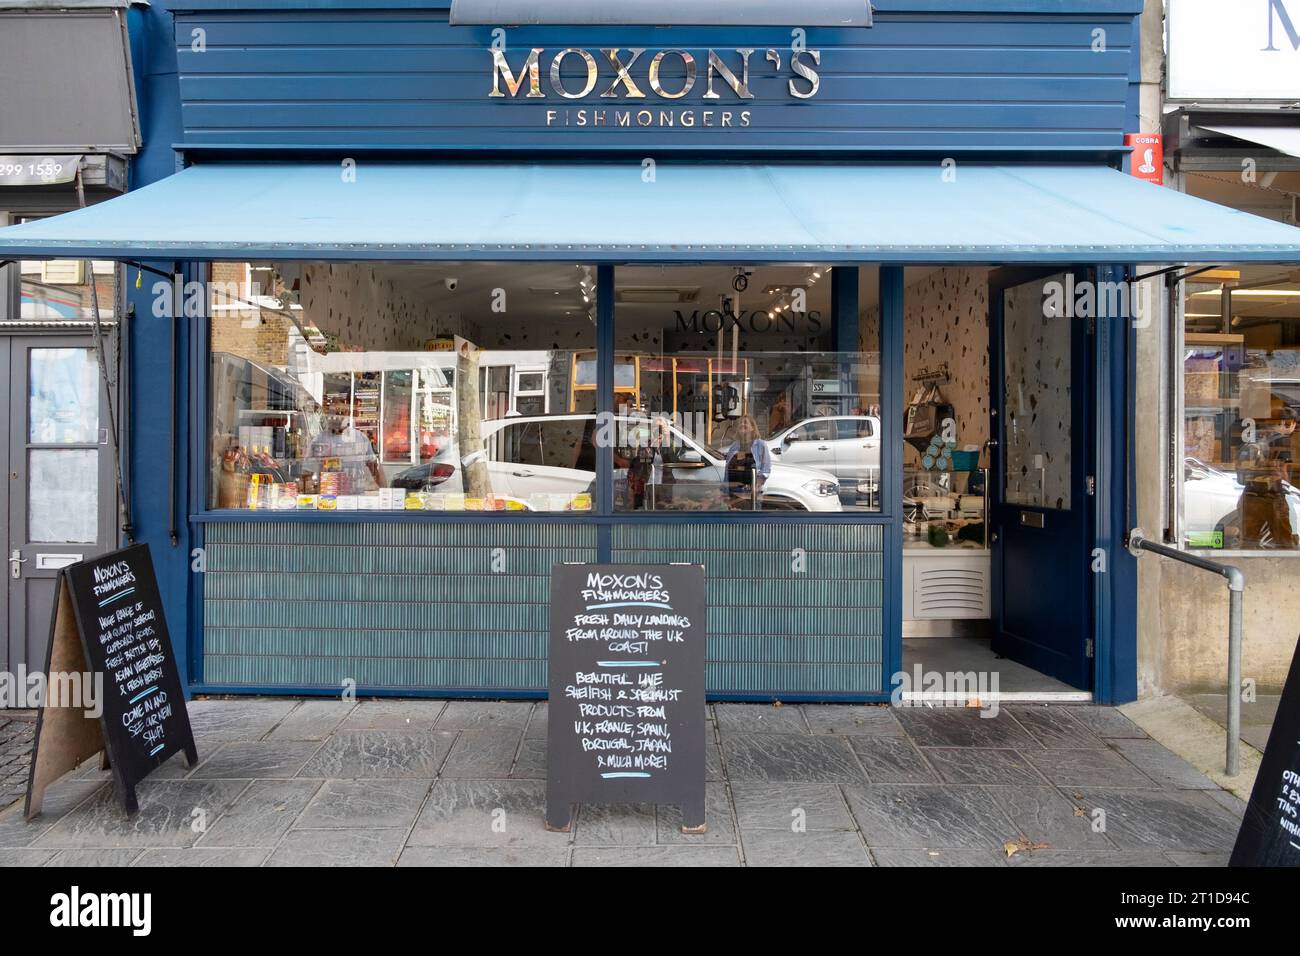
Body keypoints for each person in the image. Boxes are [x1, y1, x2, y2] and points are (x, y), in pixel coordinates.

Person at [1236, 406, 1298, 549]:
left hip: (1250, 495)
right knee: (1284, 543)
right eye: (1292, 424)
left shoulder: (1256, 436)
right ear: (1285, 422)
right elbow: (1283, 471)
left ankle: (1245, 571)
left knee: (1248, 543)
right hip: (1272, 496)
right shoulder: (1282, 440)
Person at [725, 414, 772, 510]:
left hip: (751, 493)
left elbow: (766, 469)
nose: (742, 424)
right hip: (734, 493)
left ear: (753, 428)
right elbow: (727, 470)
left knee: (752, 523)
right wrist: (725, 492)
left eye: (745, 422)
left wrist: (756, 487)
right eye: (740, 423)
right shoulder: (734, 446)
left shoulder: (761, 445)